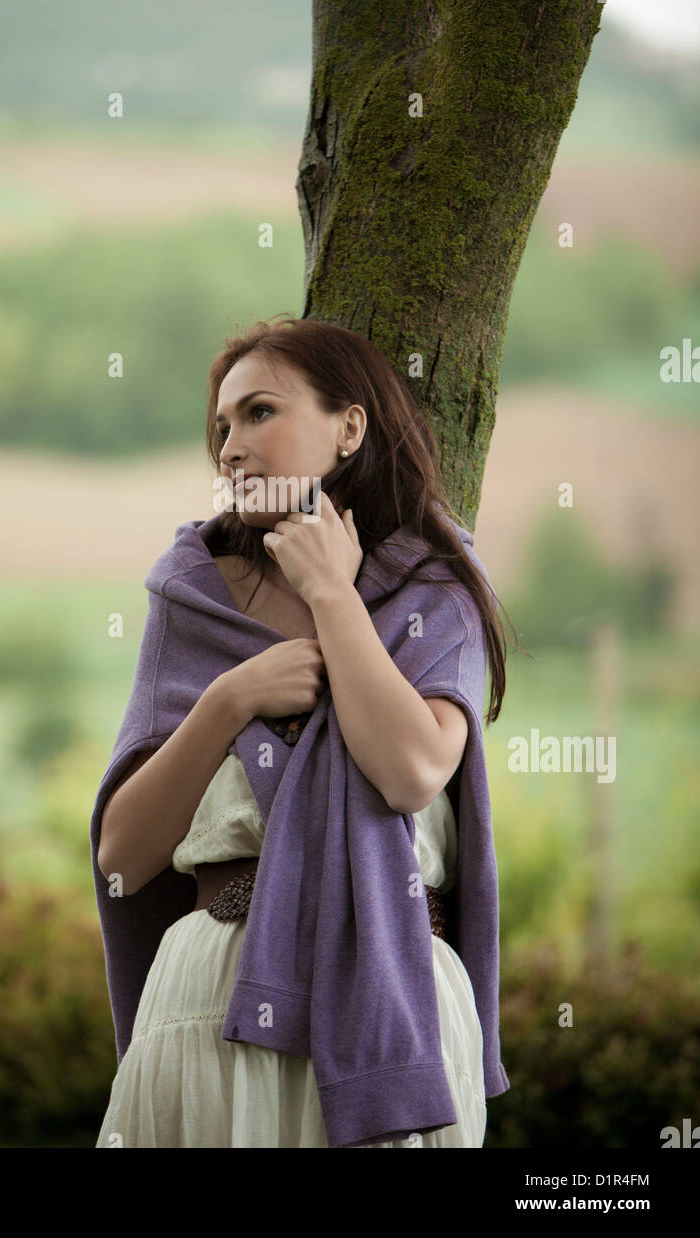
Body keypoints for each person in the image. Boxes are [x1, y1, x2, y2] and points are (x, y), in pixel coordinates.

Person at [93, 313, 516, 1147]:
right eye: (220, 427)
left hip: (396, 998)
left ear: (348, 426)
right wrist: (230, 699)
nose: (229, 448)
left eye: (259, 413)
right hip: (211, 1002)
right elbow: (123, 856)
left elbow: (410, 772)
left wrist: (332, 595)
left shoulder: (438, 592)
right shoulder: (192, 598)